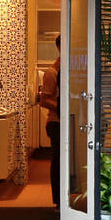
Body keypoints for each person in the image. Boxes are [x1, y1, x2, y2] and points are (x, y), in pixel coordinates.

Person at [39, 35, 61, 207]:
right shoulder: (52, 73)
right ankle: (58, 201)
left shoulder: (73, 70)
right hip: (56, 123)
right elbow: (44, 100)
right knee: (58, 161)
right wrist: (61, 107)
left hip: (69, 122)